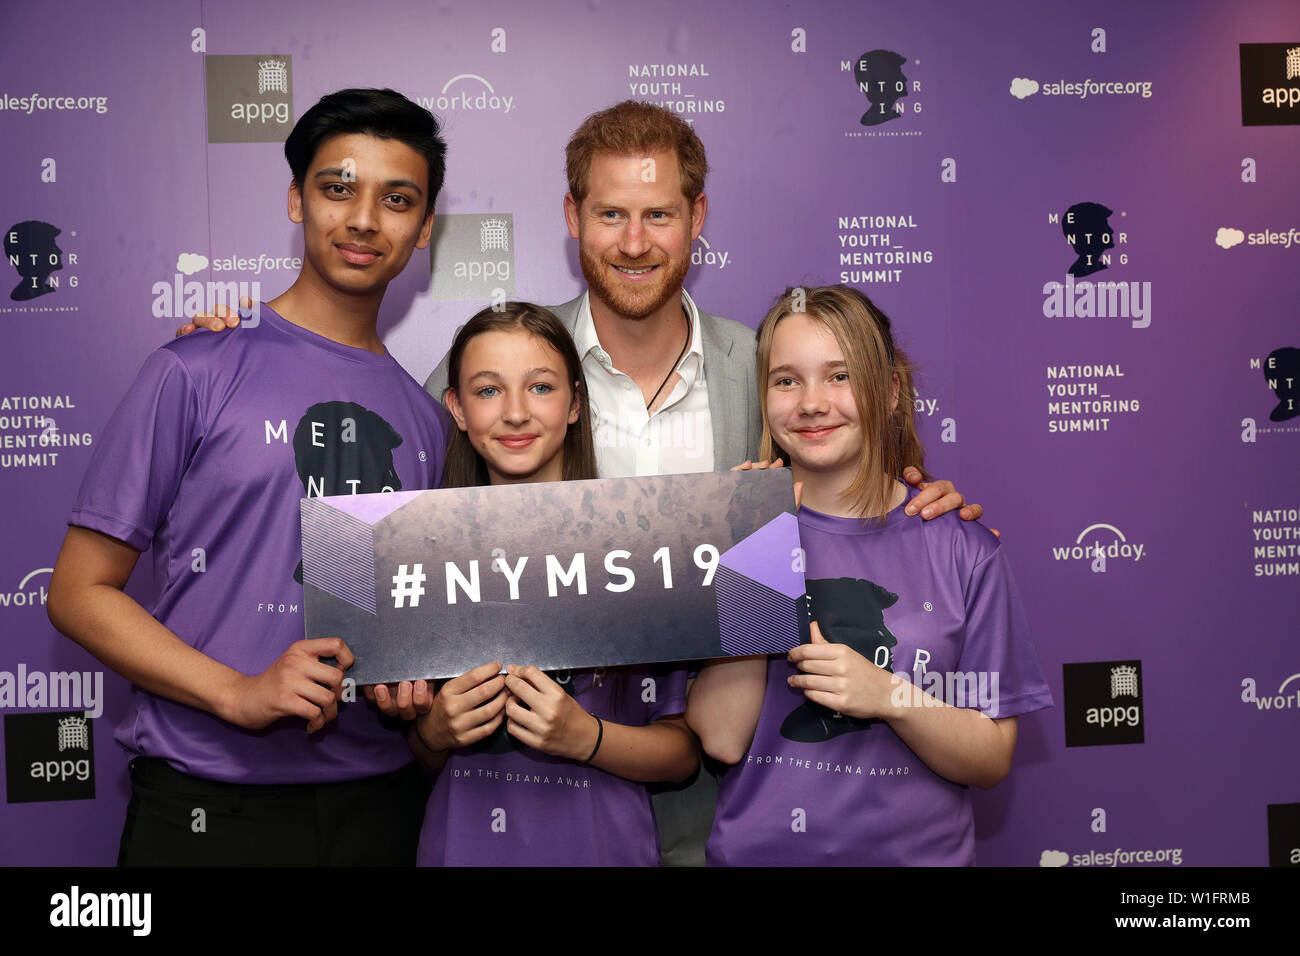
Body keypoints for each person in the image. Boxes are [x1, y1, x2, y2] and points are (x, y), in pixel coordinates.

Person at [180, 99, 986, 865]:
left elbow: (843, 476)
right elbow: (379, 521)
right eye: (609, 214)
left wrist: (914, 498)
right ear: (573, 220)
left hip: (732, 798)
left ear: (697, 221)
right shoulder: (510, 368)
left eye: (659, 215)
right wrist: (246, 342)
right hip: (521, 814)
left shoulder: (765, 375)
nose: (635, 242)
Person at [46, 88, 449, 866]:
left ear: (424, 227)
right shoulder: (194, 368)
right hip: (205, 810)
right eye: (338, 188)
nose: (365, 219)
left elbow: (404, 621)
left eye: (397, 200)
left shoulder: (426, 417)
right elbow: (76, 591)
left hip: (381, 808)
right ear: (297, 200)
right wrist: (237, 691)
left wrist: (413, 679)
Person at [686, 285, 1052, 866]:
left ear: (889, 392)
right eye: (786, 380)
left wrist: (889, 696)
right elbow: (721, 737)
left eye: (839, 376)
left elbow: (991, 758)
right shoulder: (742, 539)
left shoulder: (964, 546)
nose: (811, 402)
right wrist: (758, 544)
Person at [372, 301, 698, 865]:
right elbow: (421, 753)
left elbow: (683, 754)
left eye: (541, 388)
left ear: (575, 403)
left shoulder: (639, 544)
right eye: (488, 391)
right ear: (456, 408)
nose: (516, 413)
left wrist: (586, 737)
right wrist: (435, 735)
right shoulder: (414, 555)